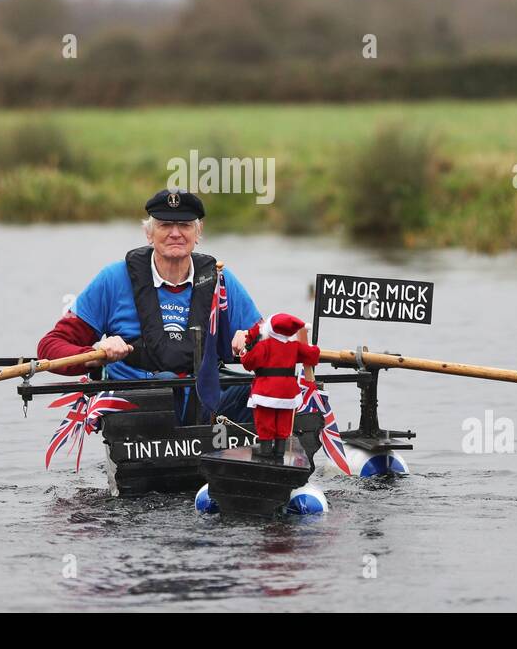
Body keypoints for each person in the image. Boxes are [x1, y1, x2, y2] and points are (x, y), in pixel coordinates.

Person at [36, 188, 263, 423]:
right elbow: (49, 346)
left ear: (198, 232)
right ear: (149, 233)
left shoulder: (220, 281)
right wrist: (96, 354)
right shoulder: (112, 280)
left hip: (207, 406)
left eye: (184, 225)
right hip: (139, 410)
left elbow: (269, 340)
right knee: (164, 382)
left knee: (265, 387)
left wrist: (250, 338)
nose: (175, 233)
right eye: (165, 225)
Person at [240, 314, 320, 458]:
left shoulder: (263, 346)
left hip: (266, 390)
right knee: (284, 420)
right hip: (288, 391)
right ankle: (279, 451)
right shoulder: (294, 347)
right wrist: (310, 346)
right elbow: (312, 356)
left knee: (265, 420)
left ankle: (265, 450)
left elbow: (248, 363)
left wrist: (246, 348)